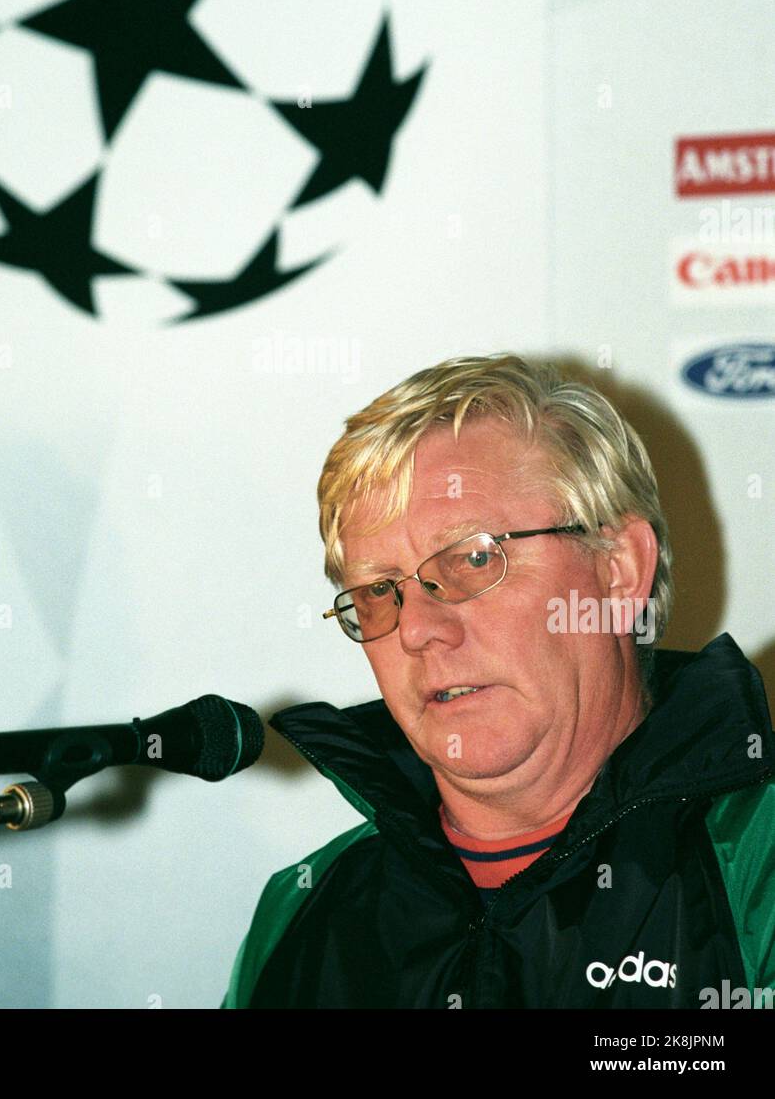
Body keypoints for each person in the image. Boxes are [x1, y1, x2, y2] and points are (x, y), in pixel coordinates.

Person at [221, 353, 775, 1008]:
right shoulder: (303, 906)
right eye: (375, 590)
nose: (417, 628)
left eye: (473, 559)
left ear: (619, 571)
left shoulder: (756, 867)